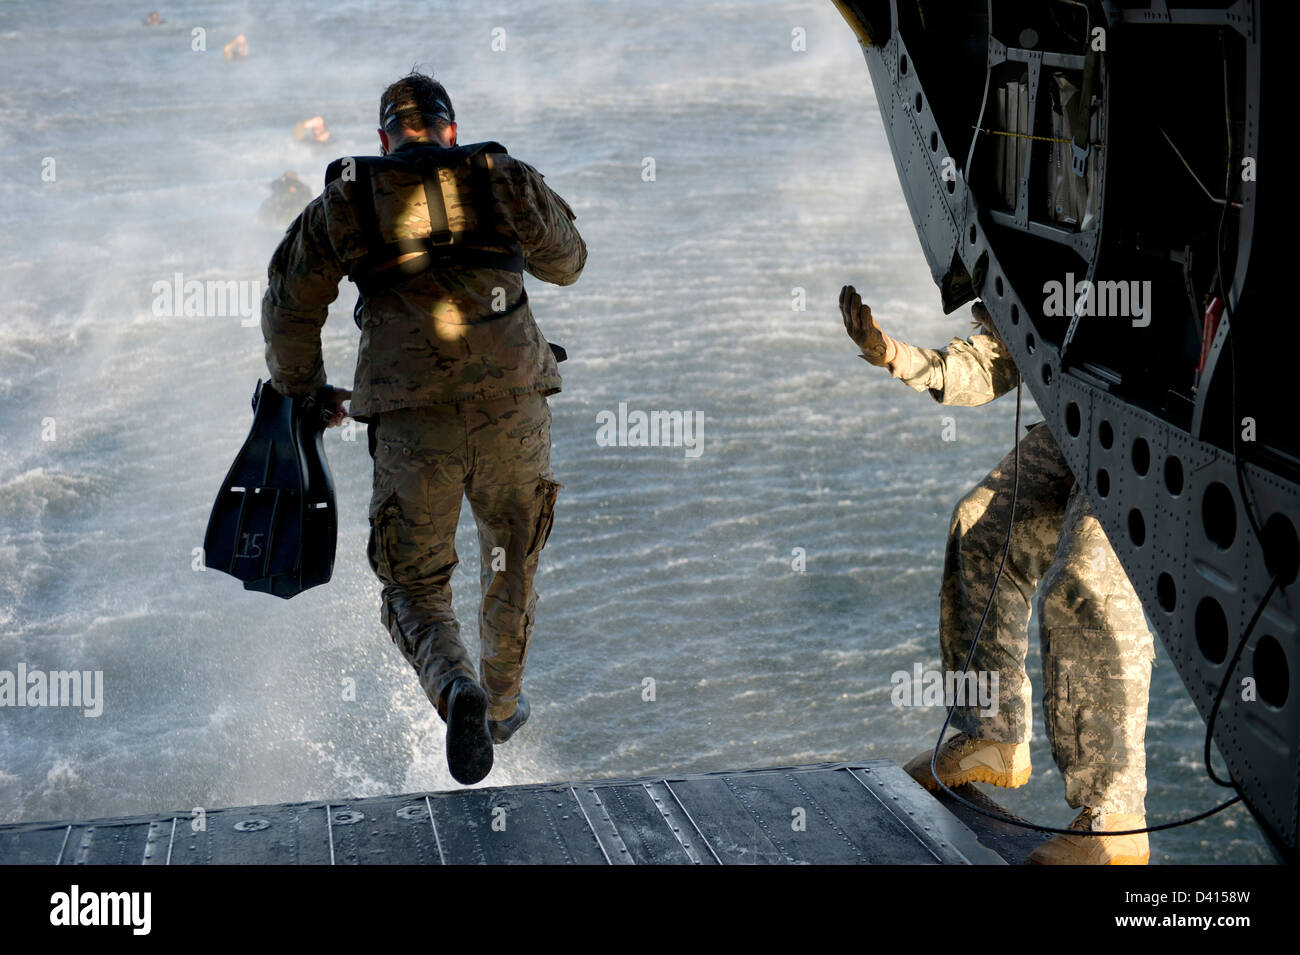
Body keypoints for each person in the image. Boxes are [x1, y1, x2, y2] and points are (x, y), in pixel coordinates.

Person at [260, 72, 586, 784]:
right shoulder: (502, 176)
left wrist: (307, 392)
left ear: (384, 138)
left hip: (414, 424)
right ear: (451, 128)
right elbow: (568, 261)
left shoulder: (348, 195)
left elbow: (288, 303)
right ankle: (500, 703)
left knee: (414, 585)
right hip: (514, 408)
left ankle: (455, 686)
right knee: (513, 557)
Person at [840, 284, 1155, 865]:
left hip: (1154, 425)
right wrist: (895, 356)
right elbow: (1004, 357)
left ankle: (1116, 819)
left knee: (1080, 584)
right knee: (979, 529)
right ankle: (993, 734)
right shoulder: (1067, 268)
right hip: (1085, 420)